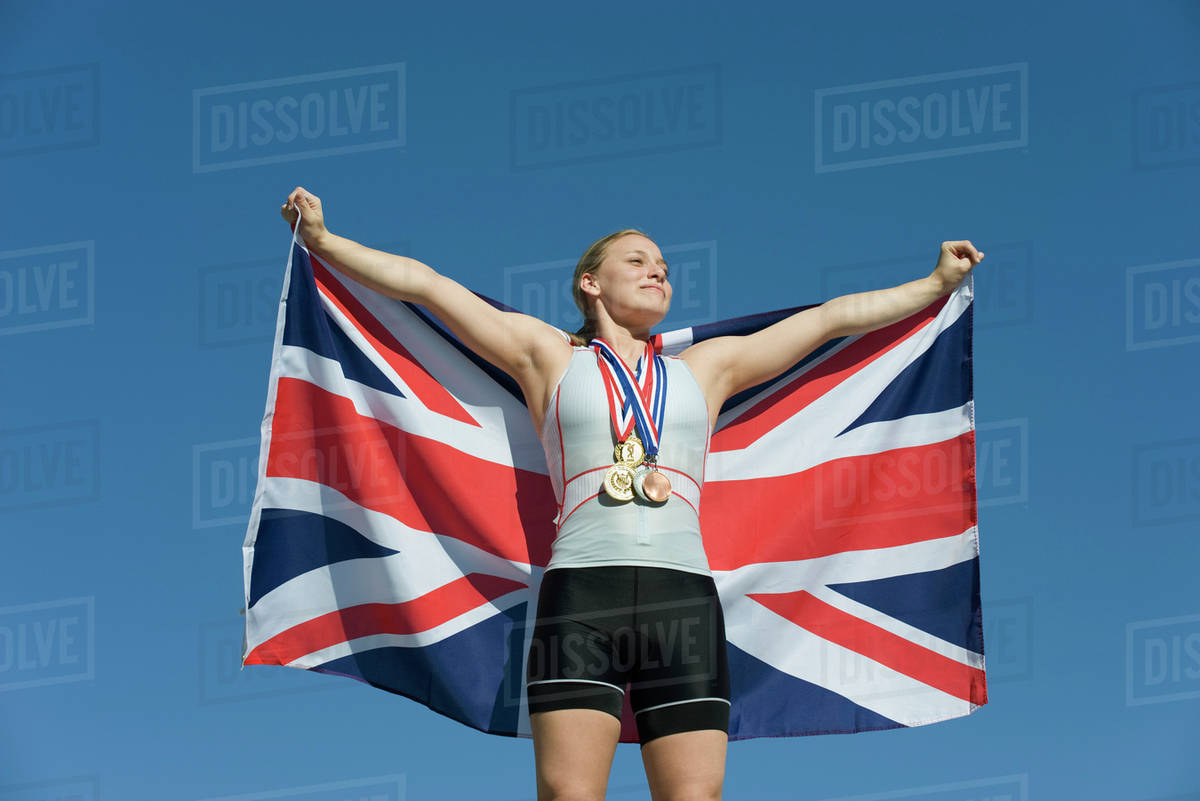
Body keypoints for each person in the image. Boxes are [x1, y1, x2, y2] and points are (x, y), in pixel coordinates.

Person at [280, 187, 984, 801]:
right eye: (639, 260)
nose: (658, 272)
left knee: (693, 794)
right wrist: (323, 239)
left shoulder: (708, 369)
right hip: (581, 598)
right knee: (568, 791)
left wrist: (933, 283)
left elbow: (831, 319)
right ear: (589, 282)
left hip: (685, 602)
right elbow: (426, 286)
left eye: (665, 268)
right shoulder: (546, 355)